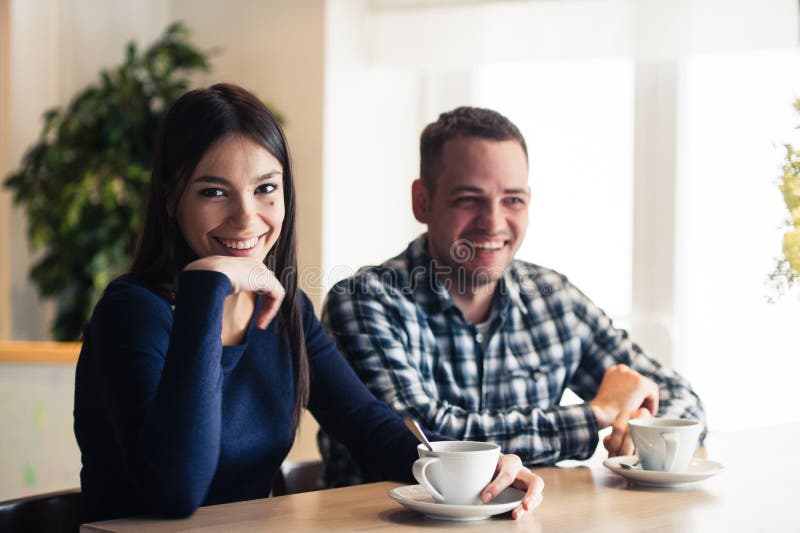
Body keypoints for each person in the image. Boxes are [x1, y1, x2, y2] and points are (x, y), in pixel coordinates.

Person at [73, 86, 544, 522]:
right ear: (171, 200)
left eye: (265, 189)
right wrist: (207, 288)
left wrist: (480, 471)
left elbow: (367, 426)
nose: (246, 217)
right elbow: (173, 492)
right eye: (213, 192)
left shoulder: (283, 311)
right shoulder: (131, 313)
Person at [318, 106, 706, 487]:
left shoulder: (554, 298)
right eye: (469, 199)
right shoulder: (364, 301)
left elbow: (676, 394)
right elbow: (427, 437)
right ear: (422, 201)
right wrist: (597, 414)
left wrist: (641, 426)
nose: (494, 222)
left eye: (513, 200)